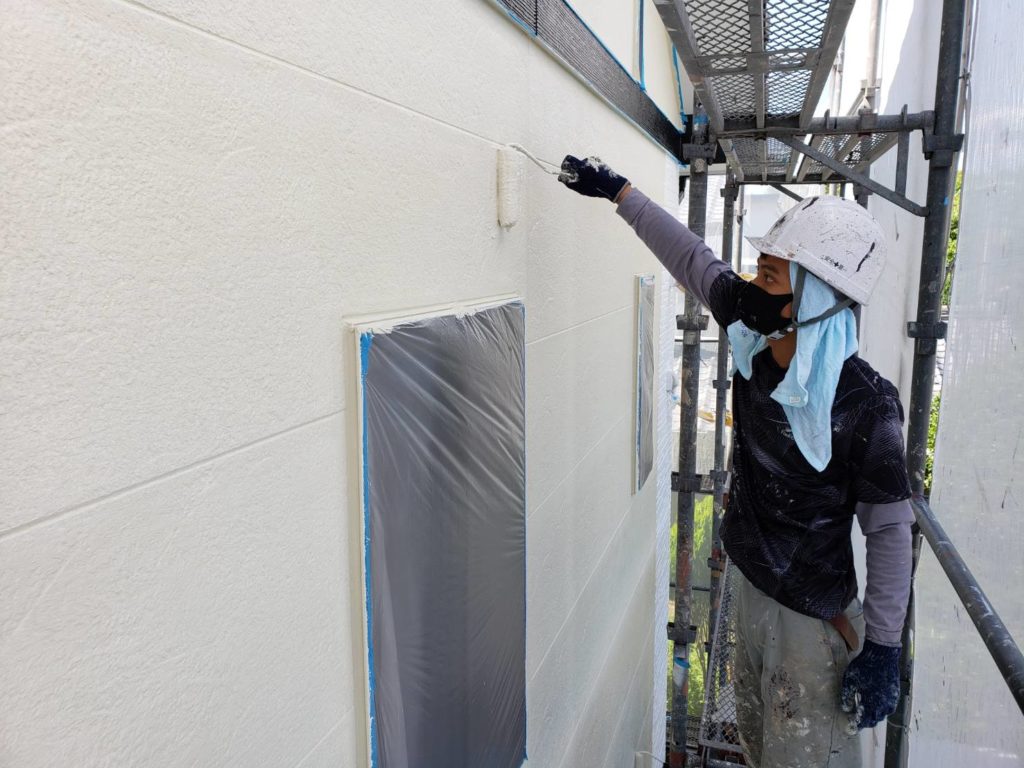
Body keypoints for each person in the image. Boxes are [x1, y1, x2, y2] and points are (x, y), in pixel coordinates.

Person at [558, 155, 913, 768]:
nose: (750, 286)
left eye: (770, 277)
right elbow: (693, 259)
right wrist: (621, 192)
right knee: (756, 747)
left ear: (815, 297)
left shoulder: (865, 403)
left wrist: (882, 647)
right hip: (748, 590)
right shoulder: (756, 337)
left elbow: (888, 532)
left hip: (813, 624)